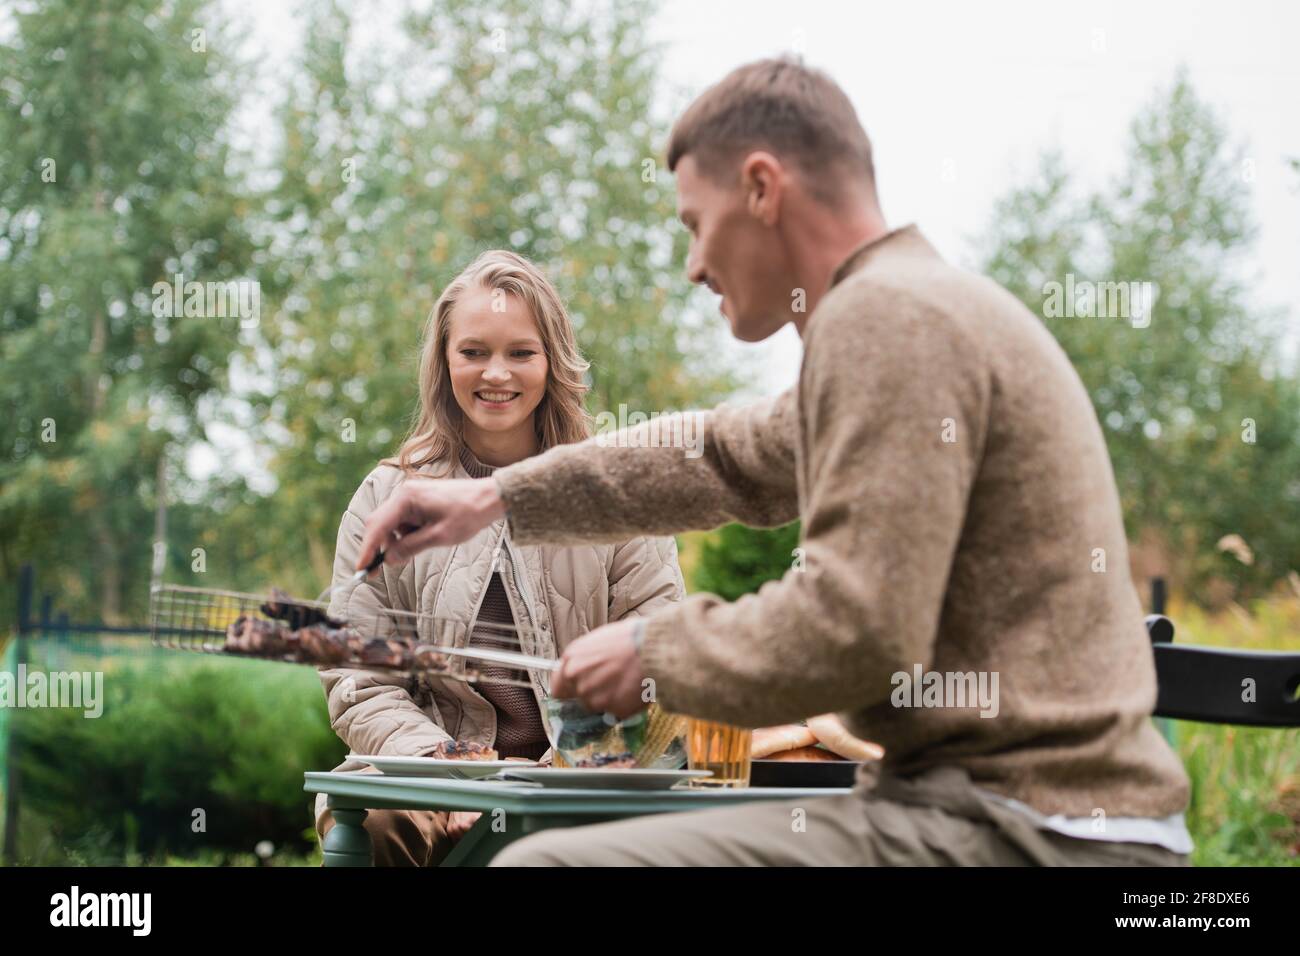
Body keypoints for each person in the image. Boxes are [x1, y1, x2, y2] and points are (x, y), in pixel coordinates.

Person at [353, 59, 1192, 866]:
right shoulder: (906, 307)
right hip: (992, 810)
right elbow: (720, 460)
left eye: (694, 222)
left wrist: (652, 652)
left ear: (761, 188)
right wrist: (495, 498)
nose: (693, 265)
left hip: (1034, 830)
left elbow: (856, 630)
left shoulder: (889, 321)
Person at [313, 250, 684, 866]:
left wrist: (544, 779)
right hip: (425, 771)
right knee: (377, 823)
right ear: (445, 362)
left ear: (552, 361)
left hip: (580, 775)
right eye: (474, 351)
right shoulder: (385, 495)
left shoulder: (621, 495)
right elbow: (359, 680)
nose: (497, 374)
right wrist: (449, 771)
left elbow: (655, 667)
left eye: (520, 352)